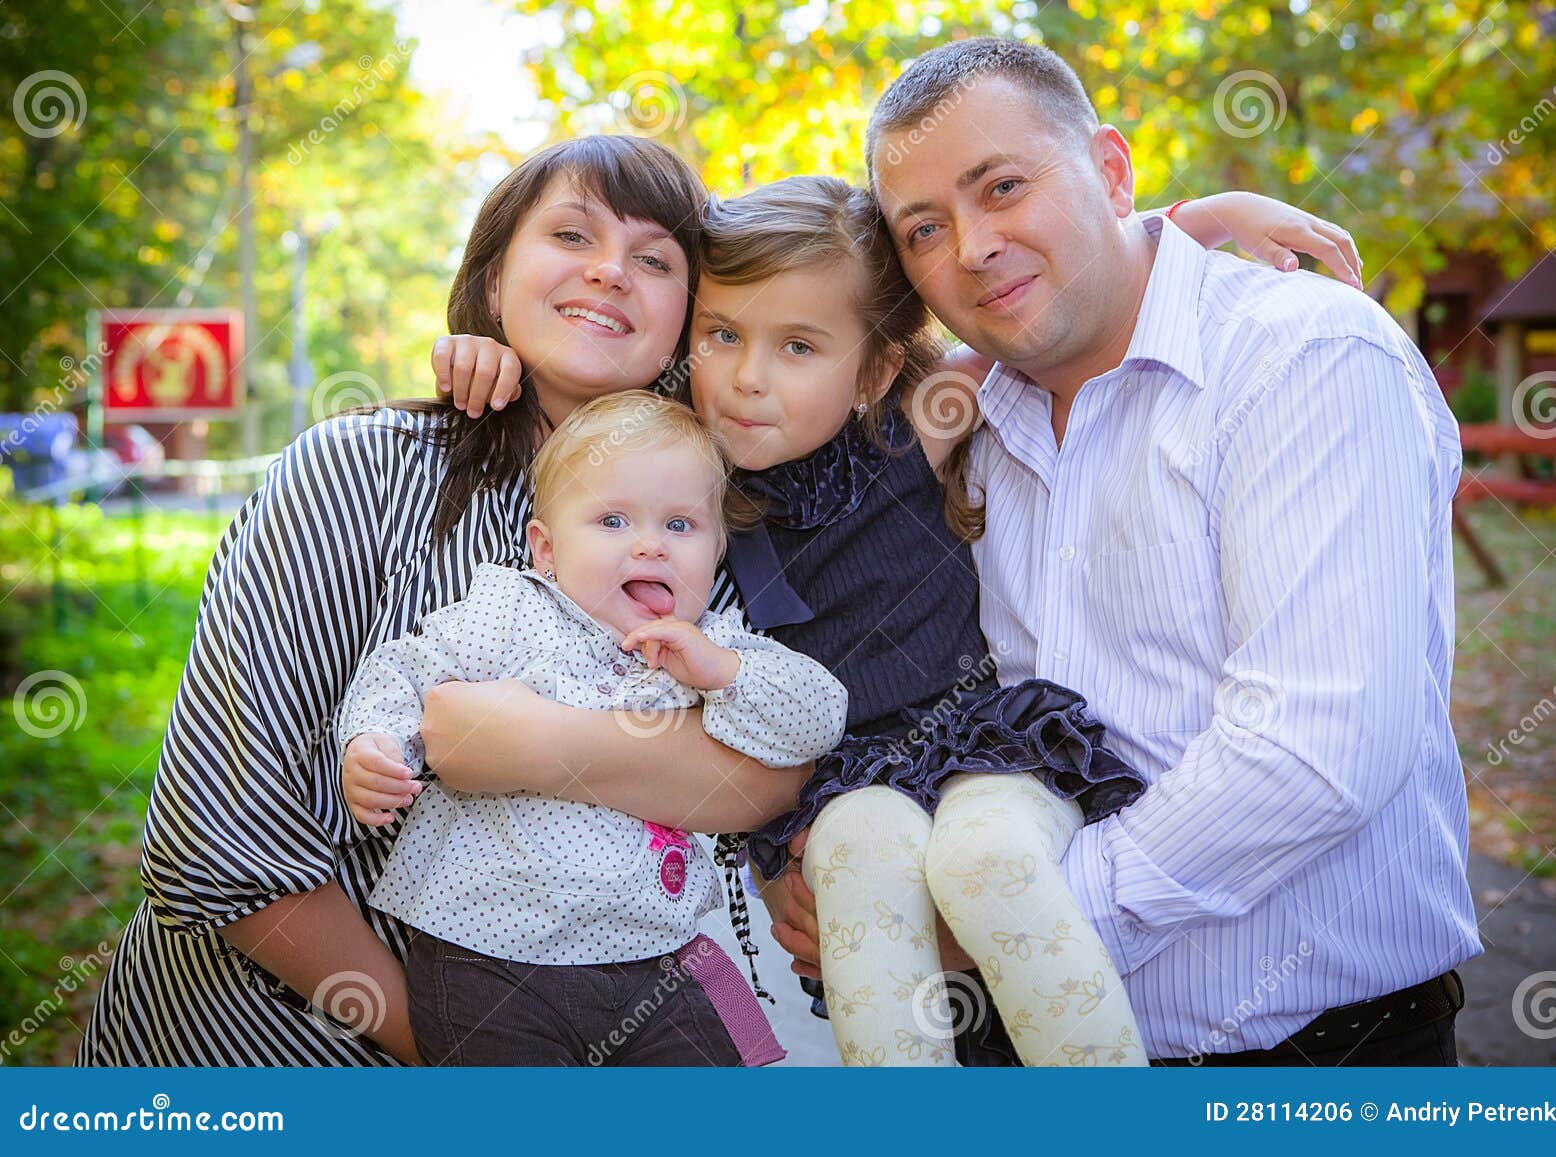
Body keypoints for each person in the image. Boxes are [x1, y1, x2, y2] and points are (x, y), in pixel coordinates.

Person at [430, 185, 1364, 1066]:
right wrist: (487, 355)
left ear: (874, 367)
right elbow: (582, 414)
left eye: (799, 346)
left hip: (980, 747)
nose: (750, 379)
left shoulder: (914, 426)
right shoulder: (681, 475)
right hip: (839, 776)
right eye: (723, 334)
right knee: (862, 868)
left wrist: (1203, 218)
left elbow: (1055, 292)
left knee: (991, 861)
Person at [761, 37, 1479, 1066]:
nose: (970, 246)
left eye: (1002, 185)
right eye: (924, 228)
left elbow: (1315, 749)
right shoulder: (961, 414)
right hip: (1010, 1047)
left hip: (1309, 1055)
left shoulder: (1302, 357)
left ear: (1109, 169)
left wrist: (999, 922)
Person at [77, 135, 811, 1066]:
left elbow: (757, 774)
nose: (610, 272)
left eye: (655, 258)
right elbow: (218, 838)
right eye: (572, 235)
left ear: (688, 320)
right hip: (263, 1047)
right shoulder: (355, 473)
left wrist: (531, 746)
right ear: (496, 278)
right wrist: (465, 1051)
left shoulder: (702, 522)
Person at [338, 391, 846, 1065]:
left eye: (681, 526)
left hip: (654, 960)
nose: (649, 545)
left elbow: (820, 715)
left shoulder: (710, 644)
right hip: (489, 954)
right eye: (612, 519)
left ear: (717, 551)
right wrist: (373, 739)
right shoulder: (513, 611)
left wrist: (722, 672)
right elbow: (404, 668)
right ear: (545, 548)